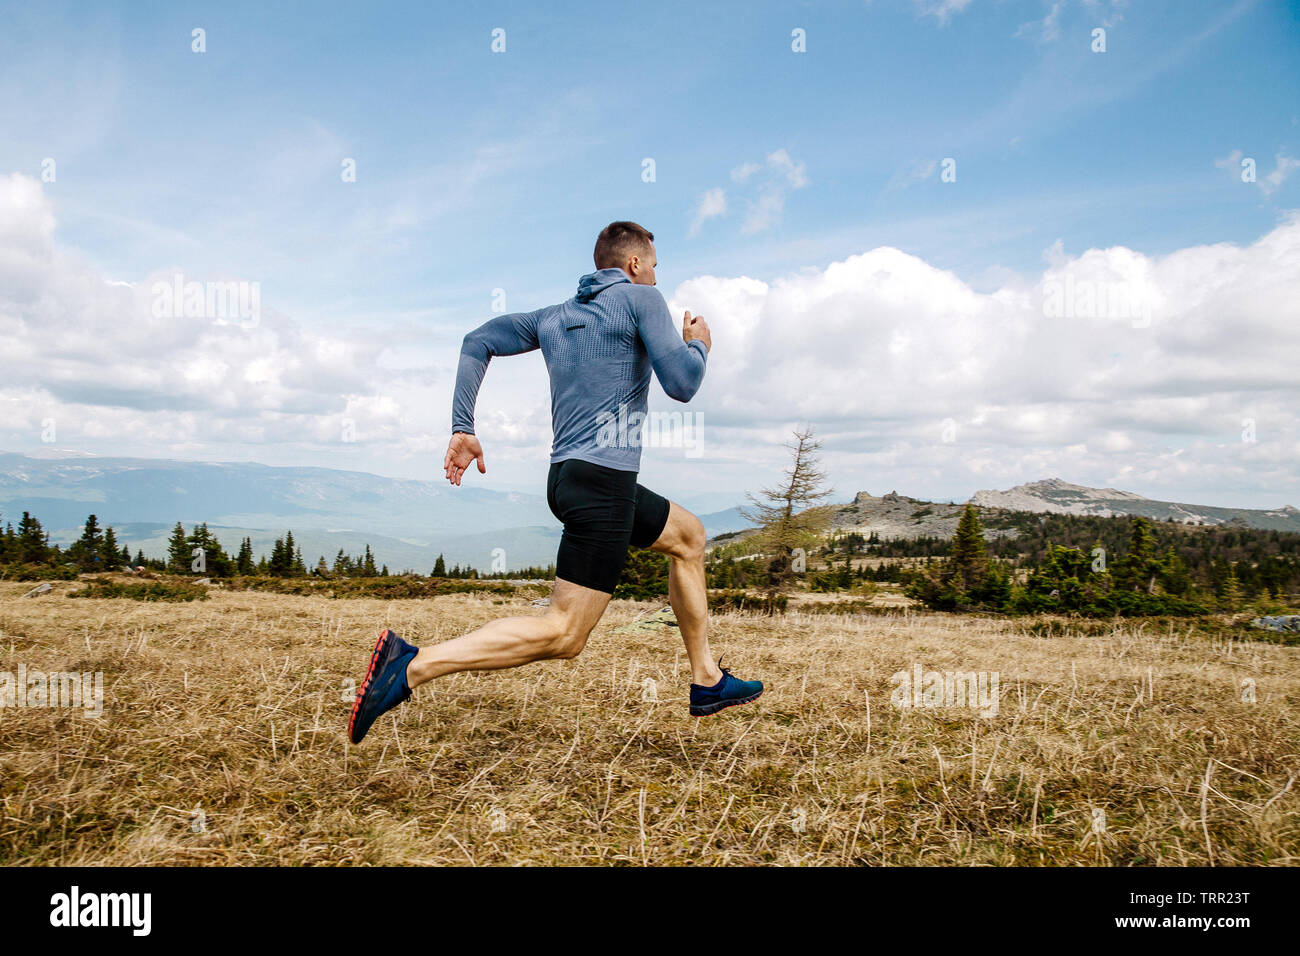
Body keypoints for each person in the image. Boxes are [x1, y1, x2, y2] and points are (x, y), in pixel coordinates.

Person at [349, 221, 762, 744]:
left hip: (569, 478)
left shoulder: (554, 316)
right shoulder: (642, 300)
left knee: (689, 537)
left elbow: (477, 341)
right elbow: (682, 383)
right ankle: (409, 666)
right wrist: (699, 345)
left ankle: (706, 679)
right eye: (654, 265)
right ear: (634, 264)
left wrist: (462, 425)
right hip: (605, 485)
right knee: (564, 633)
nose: (656, 275)